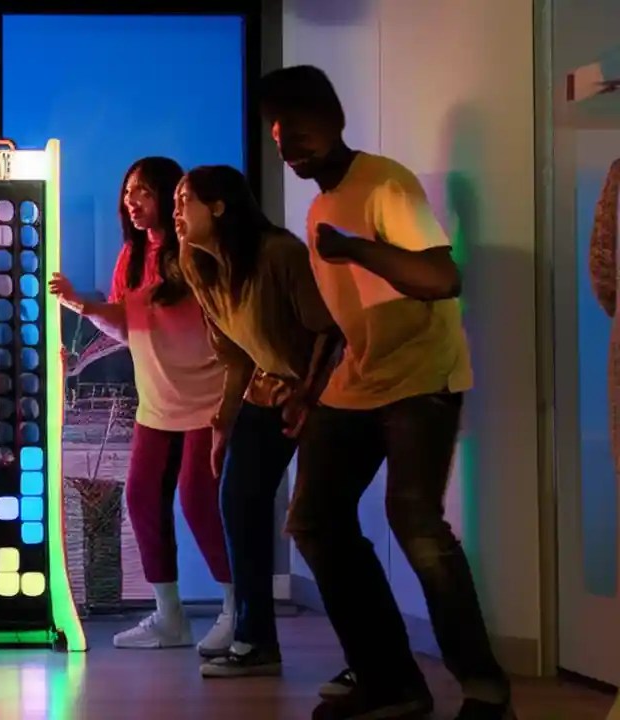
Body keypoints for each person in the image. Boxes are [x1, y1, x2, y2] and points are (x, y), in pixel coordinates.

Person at [262, 64, 514, 720]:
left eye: (302, 123)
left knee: (416, 521)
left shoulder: (386, 183)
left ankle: (486, 688)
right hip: (358, 384)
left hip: (421, 380)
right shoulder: (320, 207)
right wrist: (308, 390)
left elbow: (440, 276)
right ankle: (391, 680)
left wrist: (357, 249)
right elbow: (347, 322)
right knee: (314, 521)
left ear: (337, 119)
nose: (289, 141)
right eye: (279, 130)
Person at [49, 157, 234, 654]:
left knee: (199, 501)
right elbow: (129, 328)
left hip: (207, 395)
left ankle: (238, 610)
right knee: (142, 498)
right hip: (158, 402)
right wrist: (78, 350)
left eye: (146, 193)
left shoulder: (195, 255)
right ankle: (169, 616)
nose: (133, 201)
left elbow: (188, 317)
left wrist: (83, 306)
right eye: (129, 191)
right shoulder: (129, 259)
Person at [173, 164, 343, 678]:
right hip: (267, 388)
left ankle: (373, 659)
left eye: (186, 200)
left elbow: (329, 333)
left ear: (220, 206)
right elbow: (237, 354)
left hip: (327, 393)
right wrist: (223, 422)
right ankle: (254, 641)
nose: (177, 210)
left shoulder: (279, 255)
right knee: (237, 500)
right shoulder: (198, 262)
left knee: (322, 523)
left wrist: (309, 395)